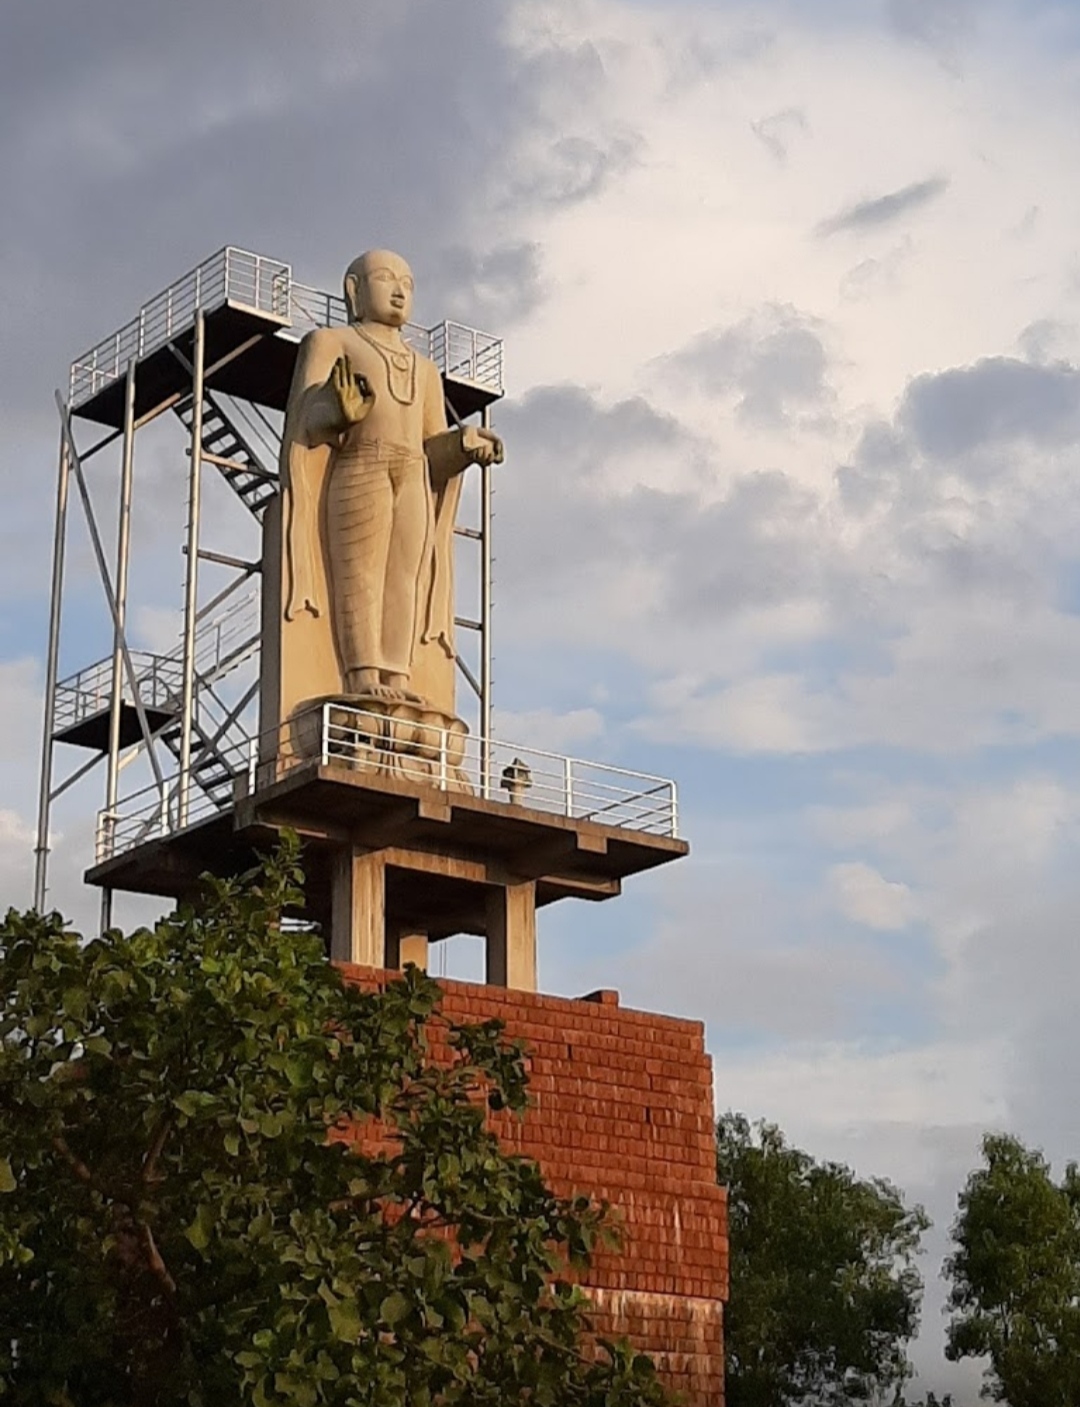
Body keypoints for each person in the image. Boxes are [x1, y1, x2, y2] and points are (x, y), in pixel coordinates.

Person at [279, 249, 502, 704]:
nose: (400, 291)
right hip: (362, 462)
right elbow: (305, 422)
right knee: (361, 573)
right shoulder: (332, 342)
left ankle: (397, 676)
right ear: (354, 290)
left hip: (413, 471)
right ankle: (362, 672)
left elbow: (432, 446)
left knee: (407, 576)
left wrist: (463, 444)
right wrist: (336, 410)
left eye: (408, 284)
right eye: (385, 279)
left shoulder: (426, 369)